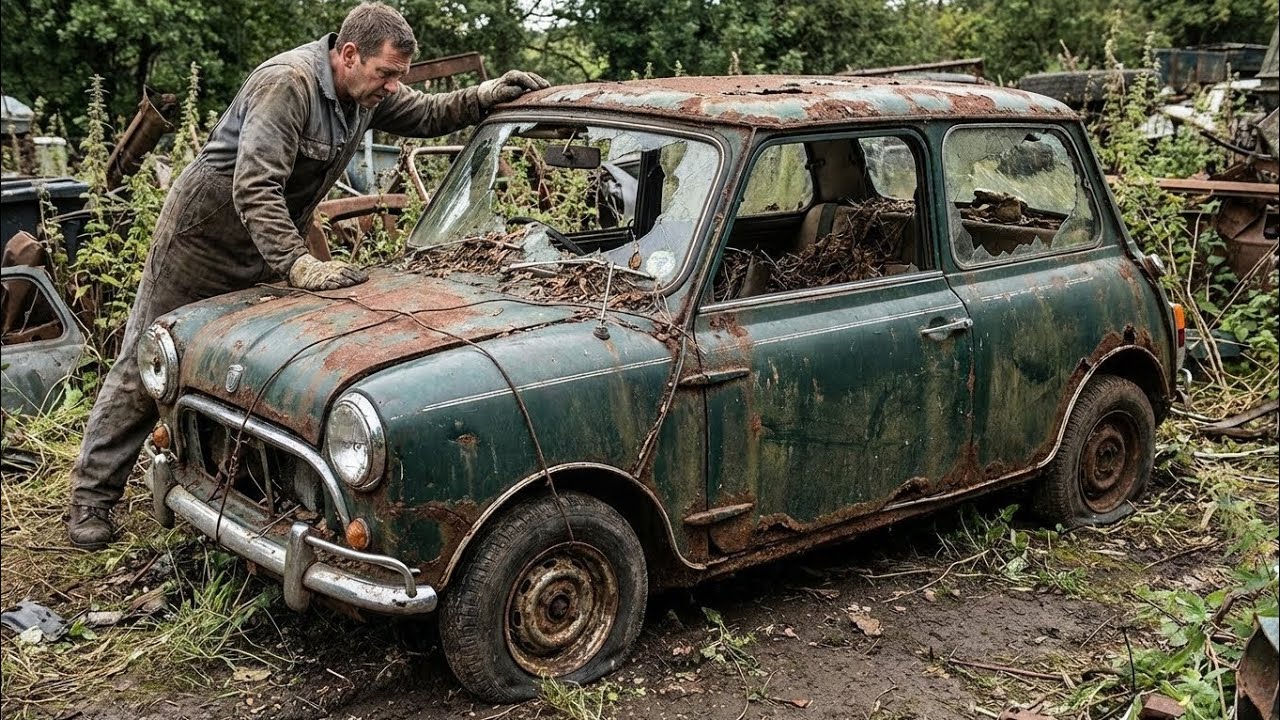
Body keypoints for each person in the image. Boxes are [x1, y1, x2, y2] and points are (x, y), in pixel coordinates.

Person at [65, 1, 549, 548]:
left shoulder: (364, 94)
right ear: (348, 54)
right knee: (149, 359)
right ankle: (91, 501)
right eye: (387, 73)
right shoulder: (288, 84)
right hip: (203, 240)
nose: (393, 87)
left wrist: (486, 97)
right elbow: (254, 186)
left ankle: (230, 491)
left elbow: (429, 114)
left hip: (267, 242)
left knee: (247, 362)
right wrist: (298, 264)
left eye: (399, 77)